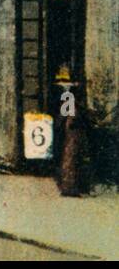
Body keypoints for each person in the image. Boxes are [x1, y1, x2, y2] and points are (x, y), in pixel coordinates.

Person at [52, 67, 91, 197]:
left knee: (69, 156)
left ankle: (69, 185)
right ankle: (69, 187)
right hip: (71, 127)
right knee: (71, 157)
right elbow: (65, 113)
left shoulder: (66, 95)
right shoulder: (68, 95)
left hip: (69, 127)